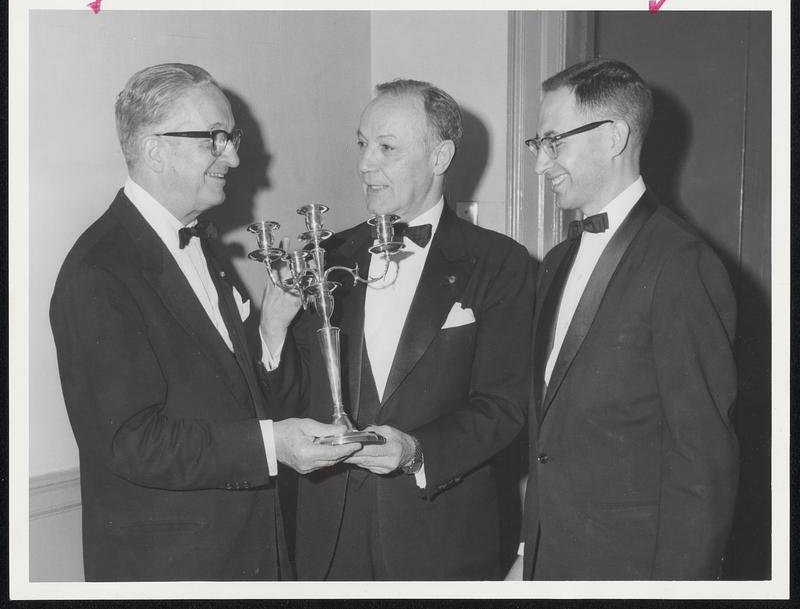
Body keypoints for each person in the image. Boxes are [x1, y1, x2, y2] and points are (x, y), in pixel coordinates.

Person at [49, 63, 357, 581]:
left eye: (230, 137)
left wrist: (272, 331)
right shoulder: (97, 271)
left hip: (252, 552)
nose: (233, 156)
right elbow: (130, 440)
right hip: (171, 570)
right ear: (153, 149)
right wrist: (272, 445)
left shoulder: (204, 244)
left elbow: (234, 400)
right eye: (214, 138)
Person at [261, 79, 534, 580]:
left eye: (387, 148)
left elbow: (505, 404)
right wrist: (273, 333)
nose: (365, 164)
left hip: (440, 541)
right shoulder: (325, 260)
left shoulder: (502, 264)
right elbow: (292, 398)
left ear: (440, 156)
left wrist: (416, 451)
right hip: (329, 540)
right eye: (362, 144)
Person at [506, 59, 738, 581]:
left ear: (612, 137)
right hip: (549, 563)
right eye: (536, 146)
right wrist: (528, 554)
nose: (541, 165)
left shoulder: (682, 264)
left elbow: (703, 463)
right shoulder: (557, 263)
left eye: (553, 142)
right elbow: (550, 441)